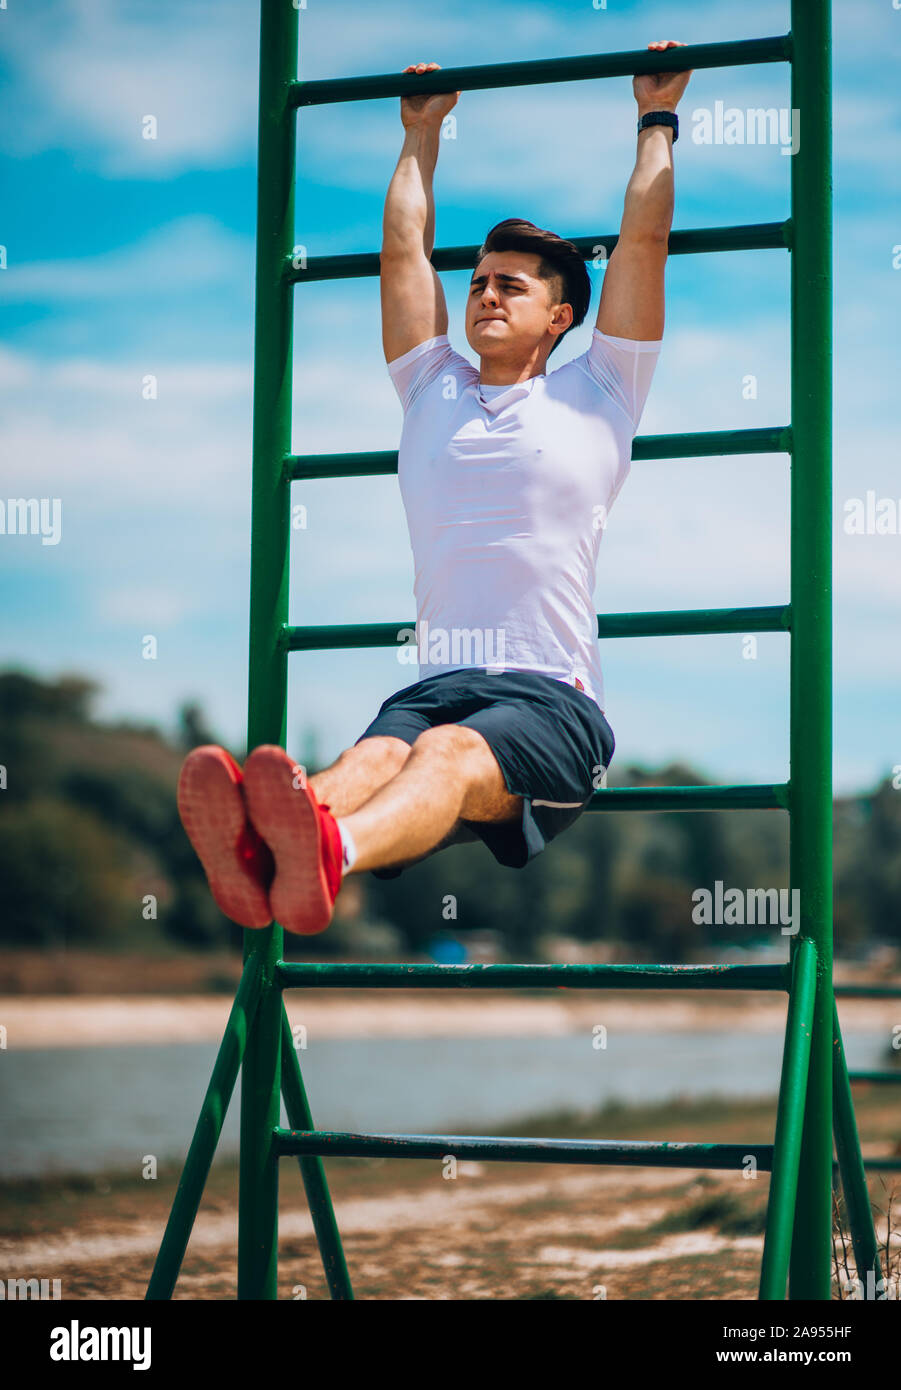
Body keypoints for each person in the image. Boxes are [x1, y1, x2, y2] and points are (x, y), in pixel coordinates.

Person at [177, 42, 693, 936]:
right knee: (376, 750)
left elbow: (643, 239)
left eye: (511, 286)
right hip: (438, 677)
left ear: (561, 314)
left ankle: (324, 855)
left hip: (551, 702)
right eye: (480, 282)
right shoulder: (430, 386)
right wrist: (421, 131)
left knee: (447, 752)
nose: (486, 295)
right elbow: (402, 249)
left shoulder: (602, 386)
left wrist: (656, 118)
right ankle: (274, 848)